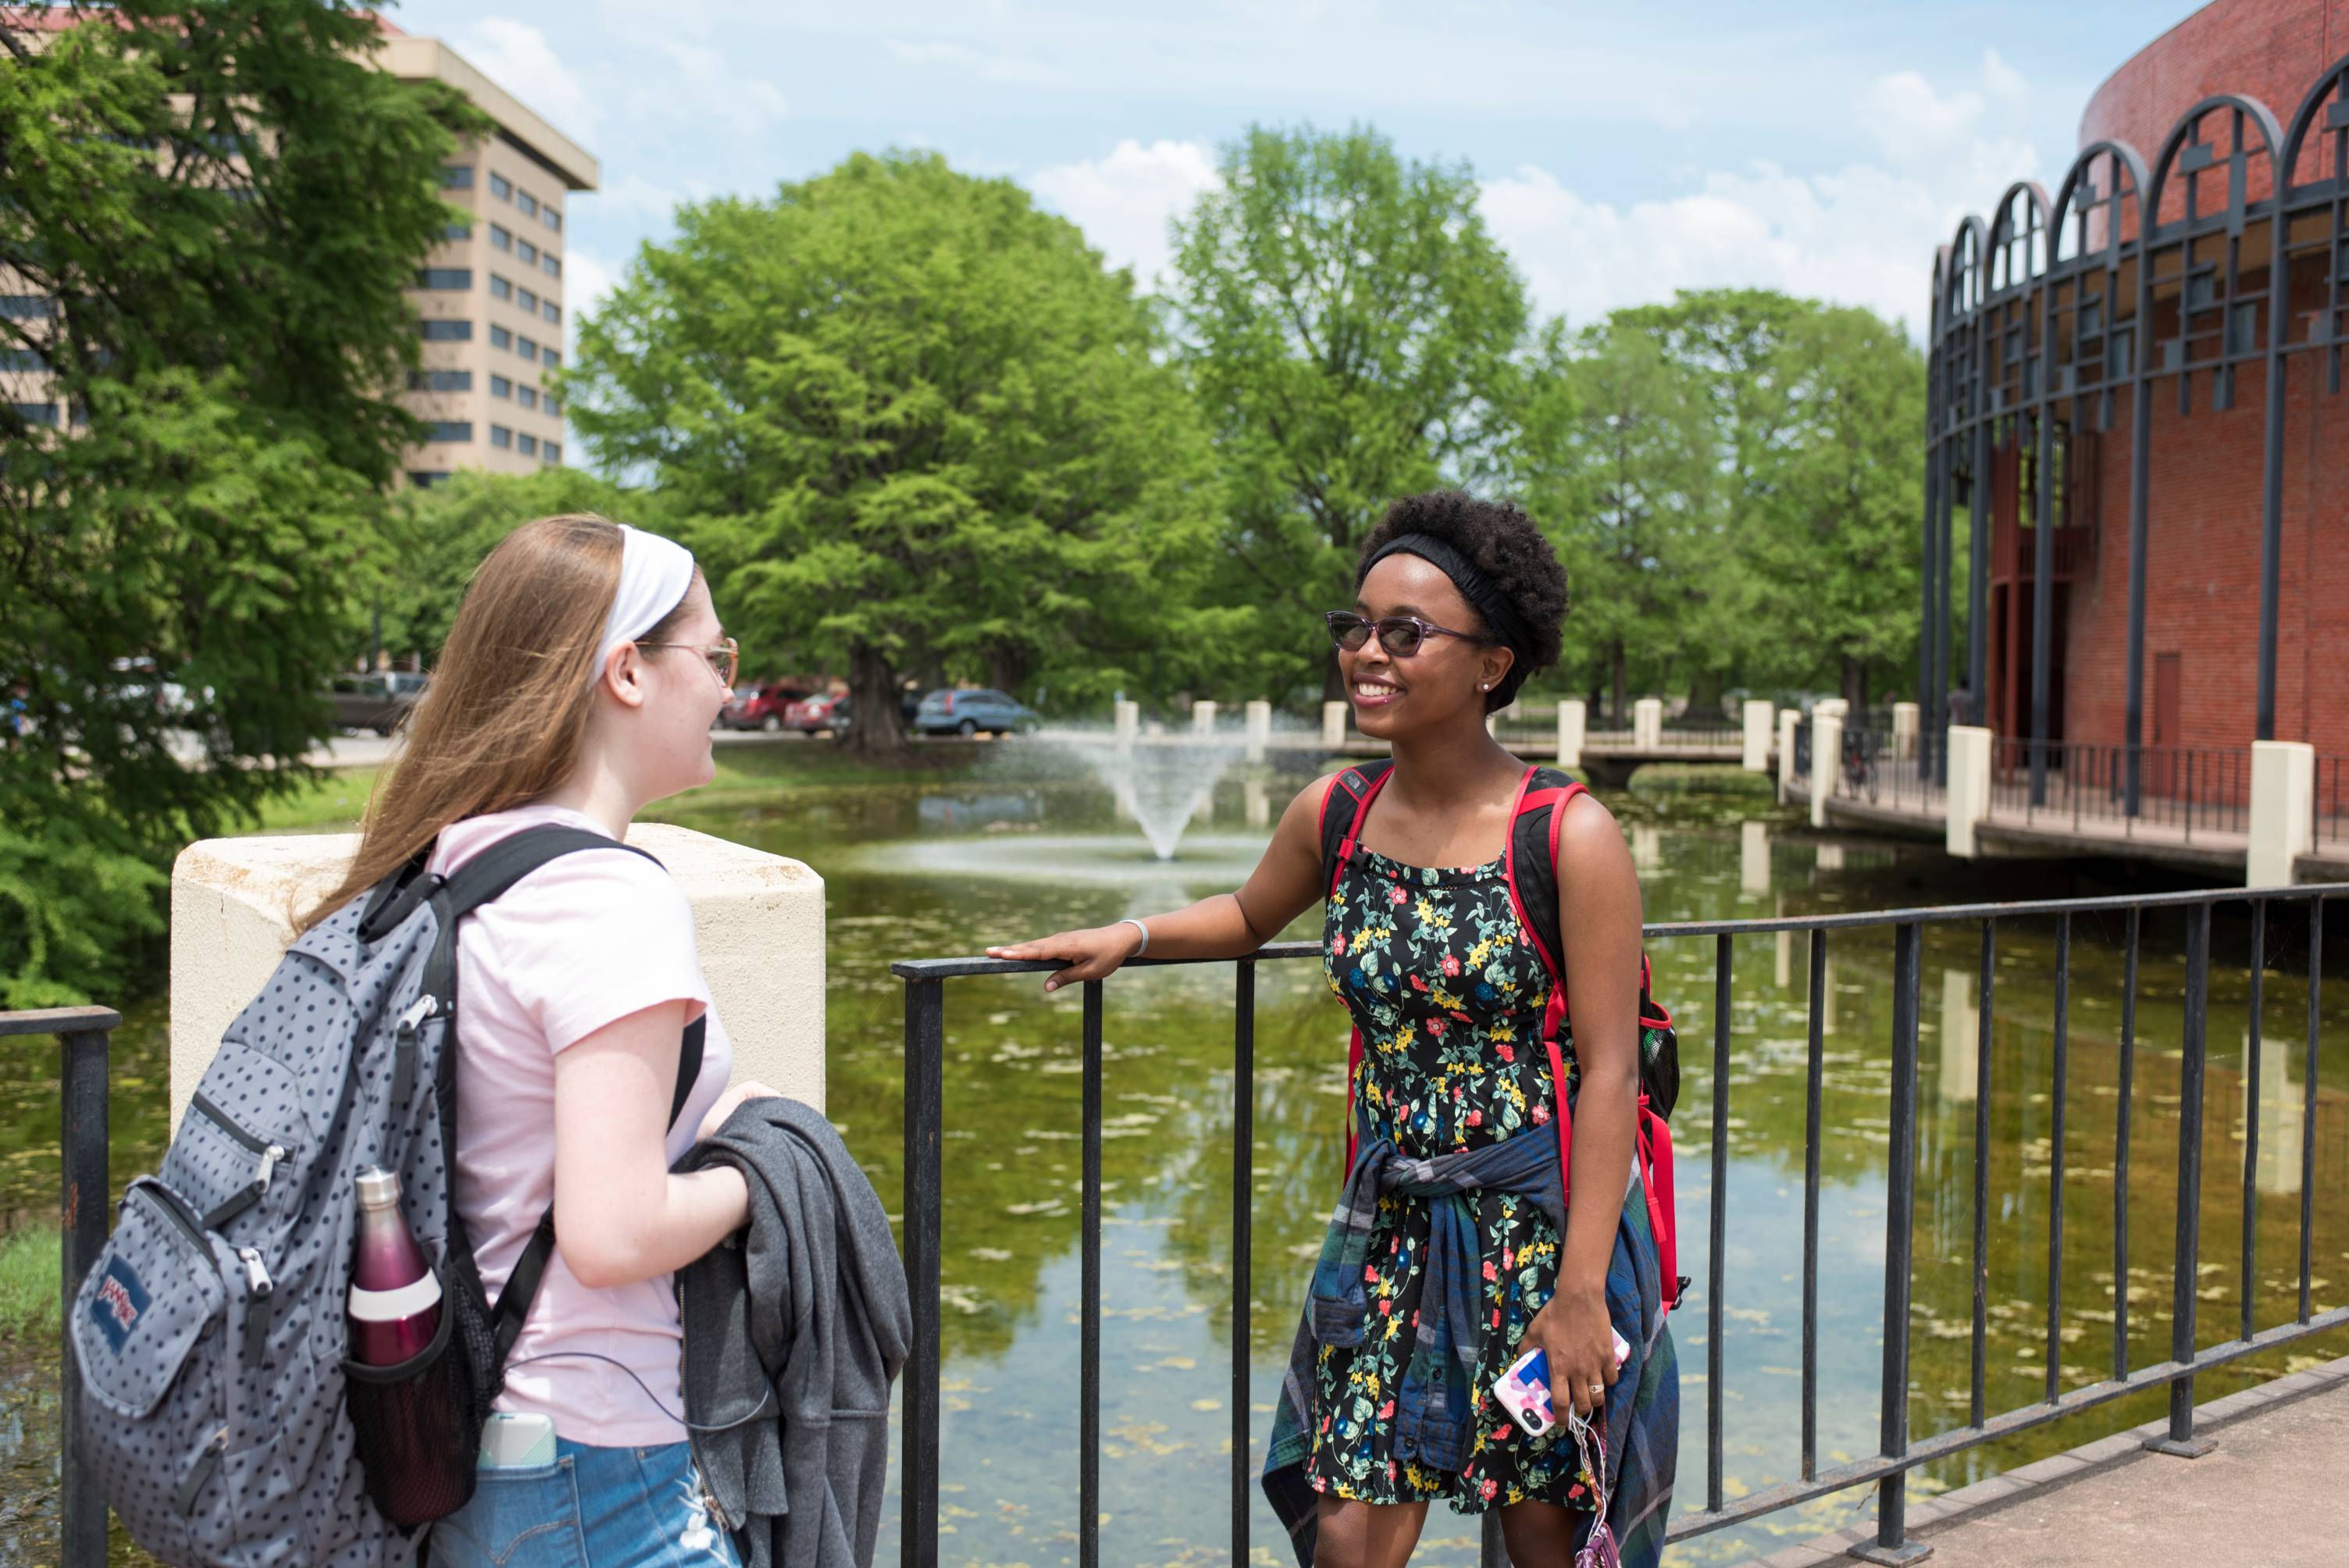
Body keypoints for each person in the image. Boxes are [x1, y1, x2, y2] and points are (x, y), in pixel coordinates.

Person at [989, 491, 1677, 1567]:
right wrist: (1130, 933)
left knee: (1546, 1530)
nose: (1368, 653)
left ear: (1491, 665)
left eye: (1405, 634)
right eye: (1355, 626)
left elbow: (1608, 1070)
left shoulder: (1568, 833)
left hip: (1538, 1243)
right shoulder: (1339, 811)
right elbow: (1251, 915)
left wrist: (1582, 1291)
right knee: (1350, 1535)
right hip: (1391, 1232)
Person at [300, 515, 782, 1568]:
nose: (728, 687)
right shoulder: (604, 900)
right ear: (626, 673)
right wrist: (763, 1164)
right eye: (715, 655)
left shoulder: (457, 857)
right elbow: (612, 1233)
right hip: (595, 1468)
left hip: (471, 1443)